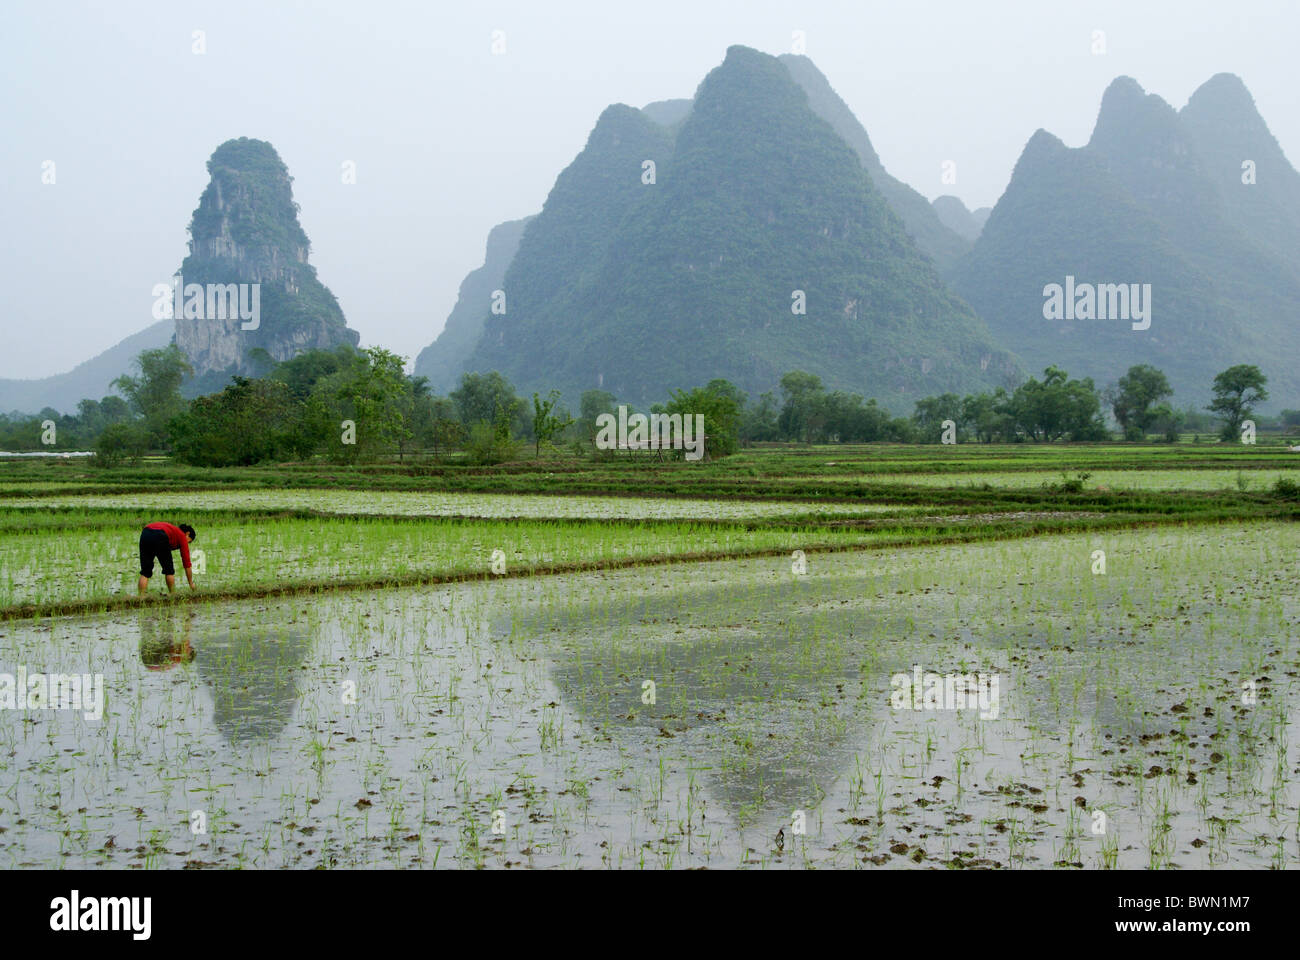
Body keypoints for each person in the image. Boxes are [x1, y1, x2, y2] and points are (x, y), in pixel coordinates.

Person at [137, 521, 197, 595]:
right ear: (187, 534)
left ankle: (141, 598)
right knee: (169, 570)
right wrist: (191, 583)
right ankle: (172, 595)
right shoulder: (182, 536)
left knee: (145, 572)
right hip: (160, 535)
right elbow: (186, 563)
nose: (187, 543)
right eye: (189, 541)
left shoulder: (173, 530)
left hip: (145, 533)